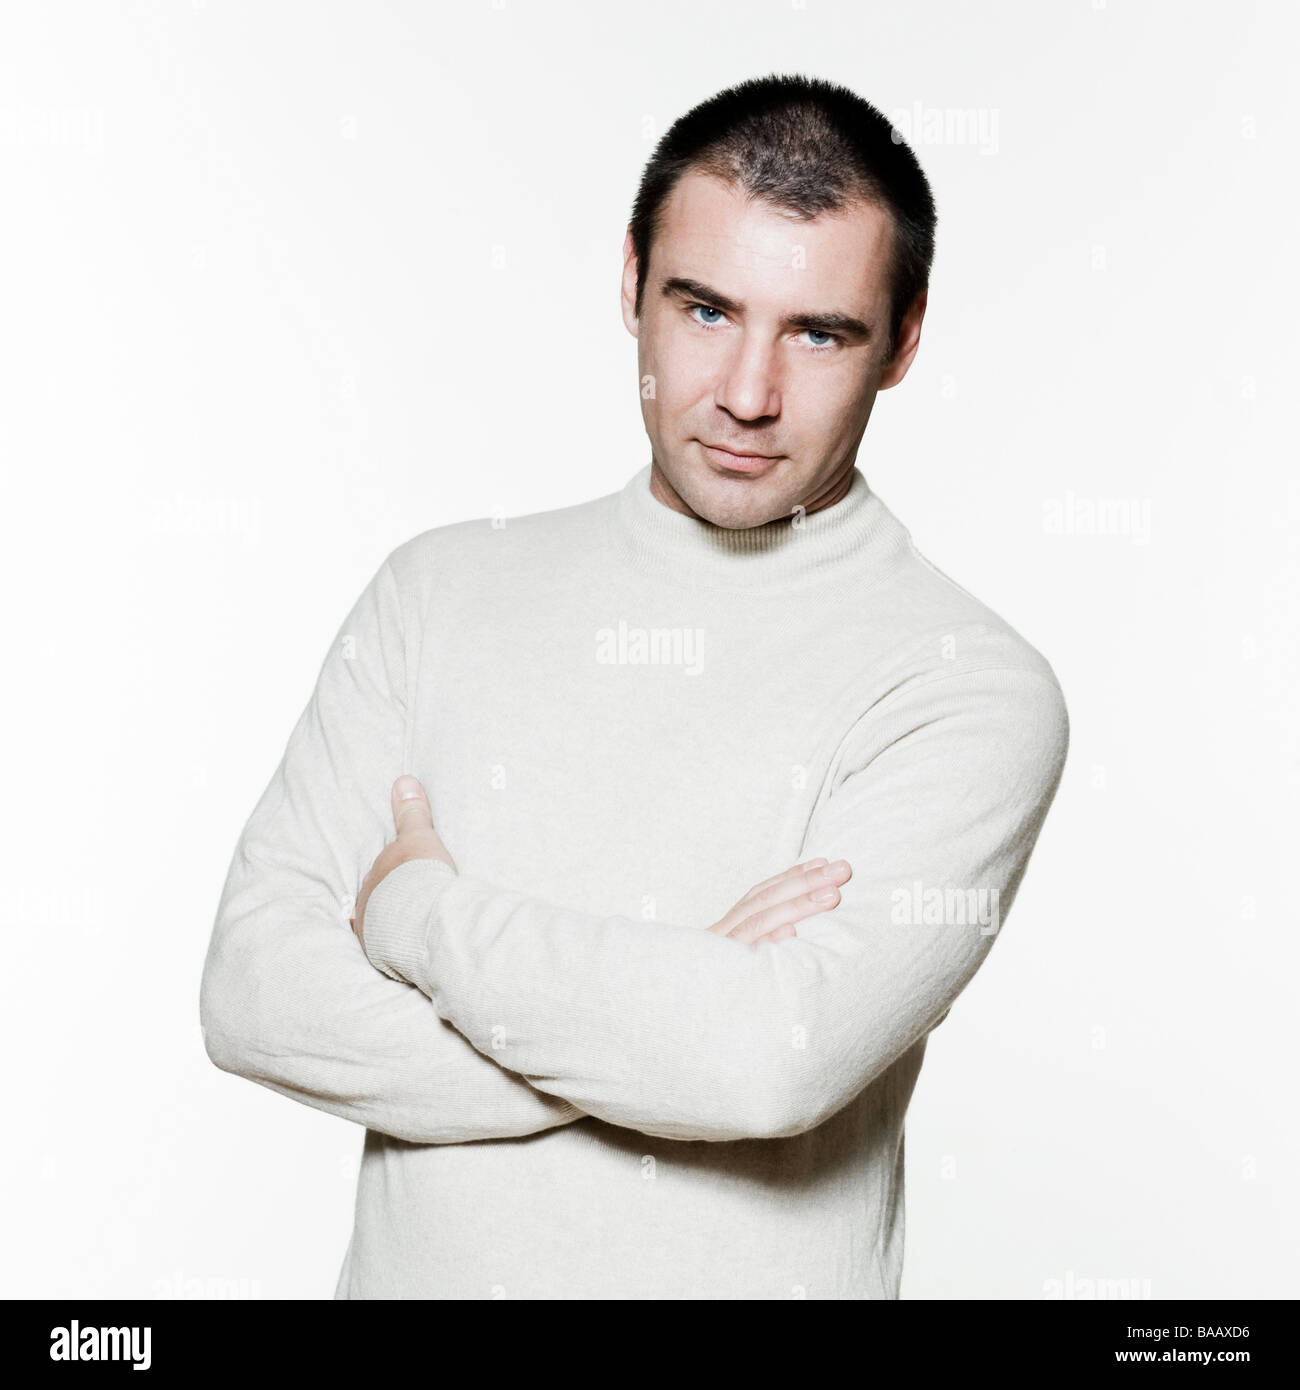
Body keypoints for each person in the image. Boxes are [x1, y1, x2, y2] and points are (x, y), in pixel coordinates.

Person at [200, 71, 1069, 1300]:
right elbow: (254, 995)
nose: (749, 393)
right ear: (630, 285)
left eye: (818, 332)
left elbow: (764, 1064)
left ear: (905, 340)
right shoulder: (437, 594)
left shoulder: (966, 687)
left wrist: (413, 914)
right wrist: (674, 1002)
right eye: (705, 310)